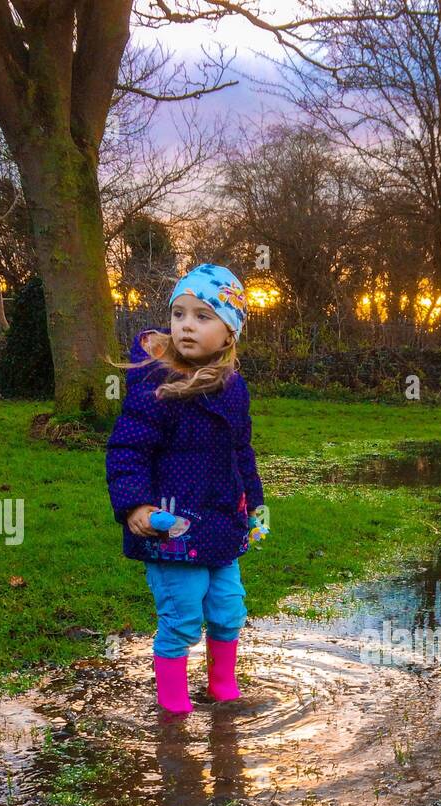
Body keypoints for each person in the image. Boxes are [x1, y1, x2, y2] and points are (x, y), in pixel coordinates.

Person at [105, 263, 267, 716]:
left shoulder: (234, 389)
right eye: (179, 314)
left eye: (202, 315)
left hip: (221, 523)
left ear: (229, 331)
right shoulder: (155, 386)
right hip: (172, 526)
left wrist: (254, 506)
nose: (187, 326)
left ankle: (223, 690)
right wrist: (134, 504)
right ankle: (174, 710)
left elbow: (242, 452)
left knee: (228, 609)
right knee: (181, 618)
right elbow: (127, 449)